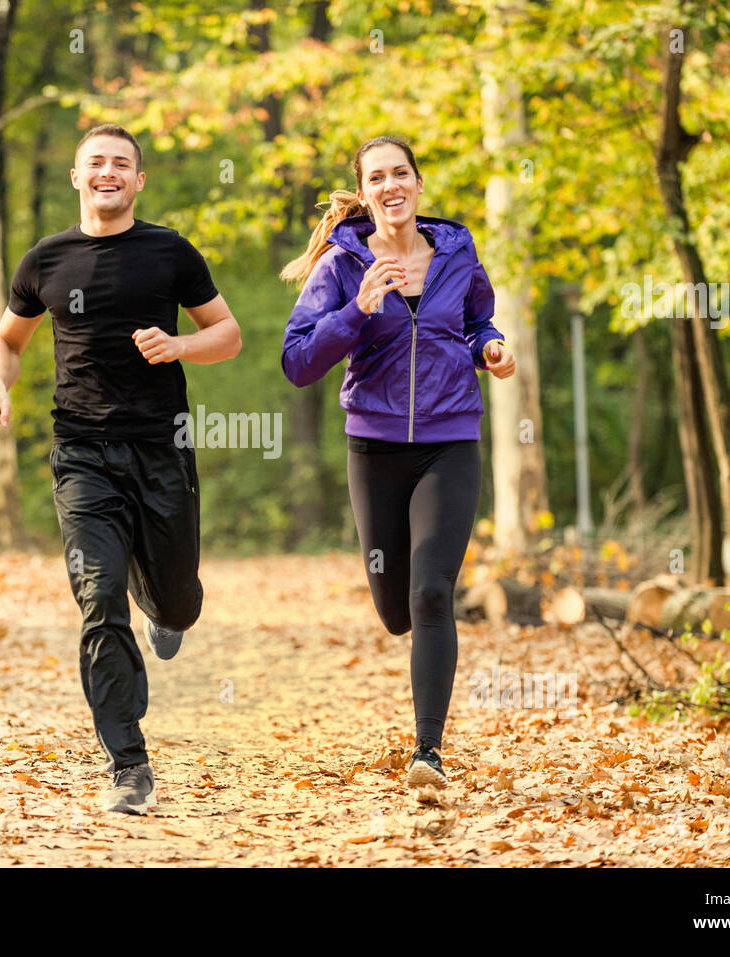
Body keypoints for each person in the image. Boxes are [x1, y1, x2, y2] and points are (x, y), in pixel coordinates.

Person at [0, 124, 242, 814]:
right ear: (76, 176)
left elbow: (228, 335)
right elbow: (8, 342)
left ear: (138, 180)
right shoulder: (47, 259)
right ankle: (129, 763)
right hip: (82, 452)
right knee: (97, 598)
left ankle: (164, 605)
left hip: (161, 448)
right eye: (95, 161)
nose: (108, 172)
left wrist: (179, 344)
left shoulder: (169, 251)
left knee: (179, 597)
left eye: (121, 163)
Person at [280, 135, 516, 796]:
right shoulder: (342, 264)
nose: (391, 184)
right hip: (375, 448)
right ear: (365, 190)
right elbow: (297, 361)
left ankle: (429, 751)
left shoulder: (457, 253)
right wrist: (357, 311)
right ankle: (410, 629)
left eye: (401, 172)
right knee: (394, 609)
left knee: (433, 591)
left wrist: (491, 345)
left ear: (417, 183)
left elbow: (475, 321)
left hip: (450, 440)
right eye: (377, 176)